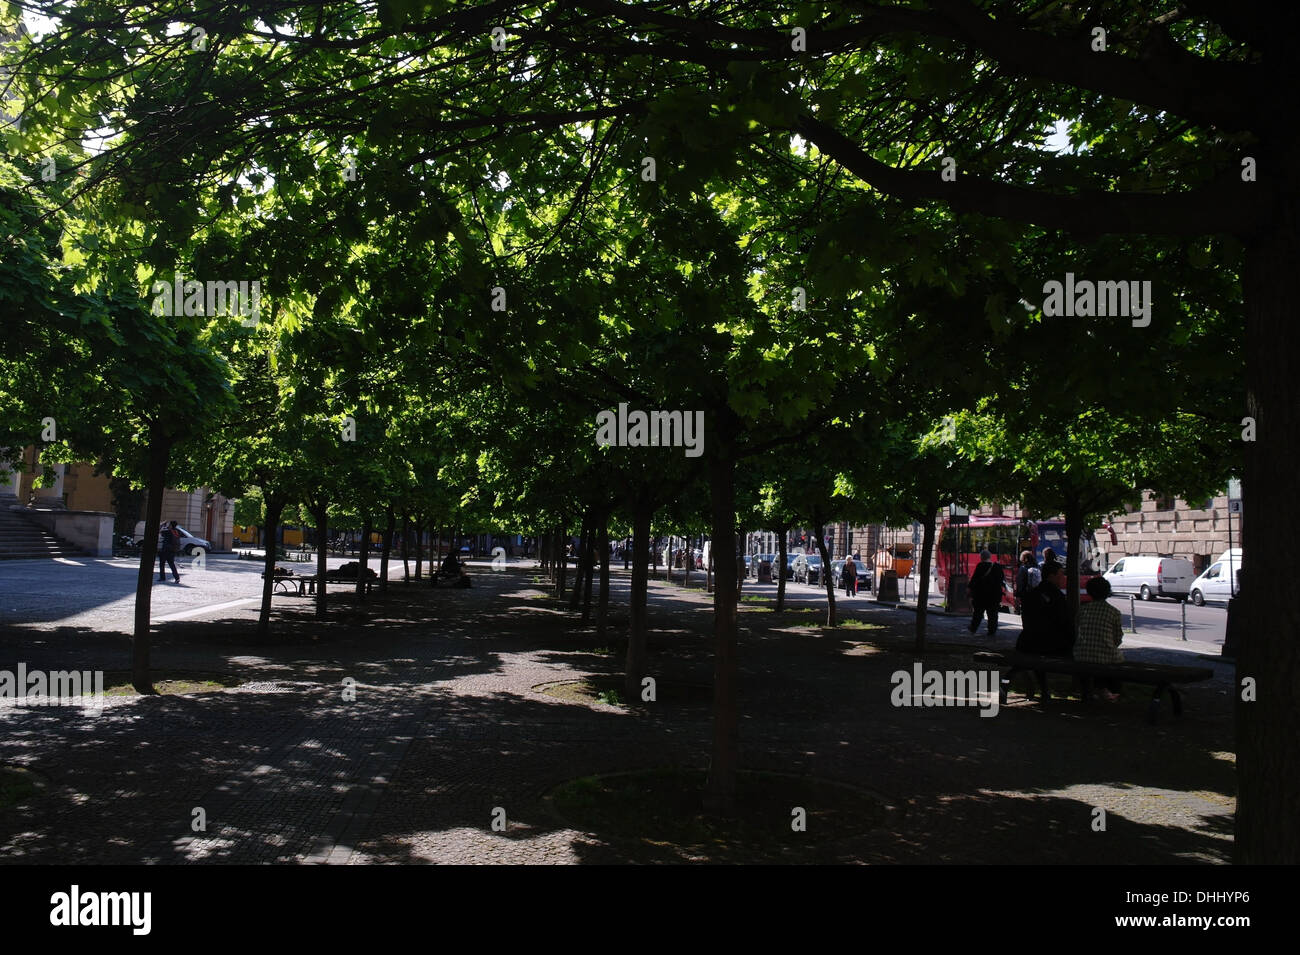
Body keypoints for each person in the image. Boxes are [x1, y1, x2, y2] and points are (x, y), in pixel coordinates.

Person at [1073, 576, 1124, 699]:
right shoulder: (1113, 612)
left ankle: (1093, 690)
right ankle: (1108, 690)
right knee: (1114, 658)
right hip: (1104, 657)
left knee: (1092, 659)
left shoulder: (1083, 610)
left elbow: (1077, 630)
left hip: (1081, 655)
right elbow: (1117, 638)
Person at [1017, 562, 1072, 656]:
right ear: (1051, 576)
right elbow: (1063, 621)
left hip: (1028, 642)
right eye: (1061, 574)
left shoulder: (1032, 593)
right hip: (1051, 644)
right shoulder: (1057, 596)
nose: (1063, 577)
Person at [967, 549, 1004, 636]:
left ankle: (973, 628)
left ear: (981, 557)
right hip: (994, 595)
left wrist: (969, 590)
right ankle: (992, 631)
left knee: (978, 613)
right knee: (993, 614)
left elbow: (974, 579)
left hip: (981, 595)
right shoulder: (997, 567)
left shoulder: (980, 566)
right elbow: (1001, 579)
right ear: (989, 557)